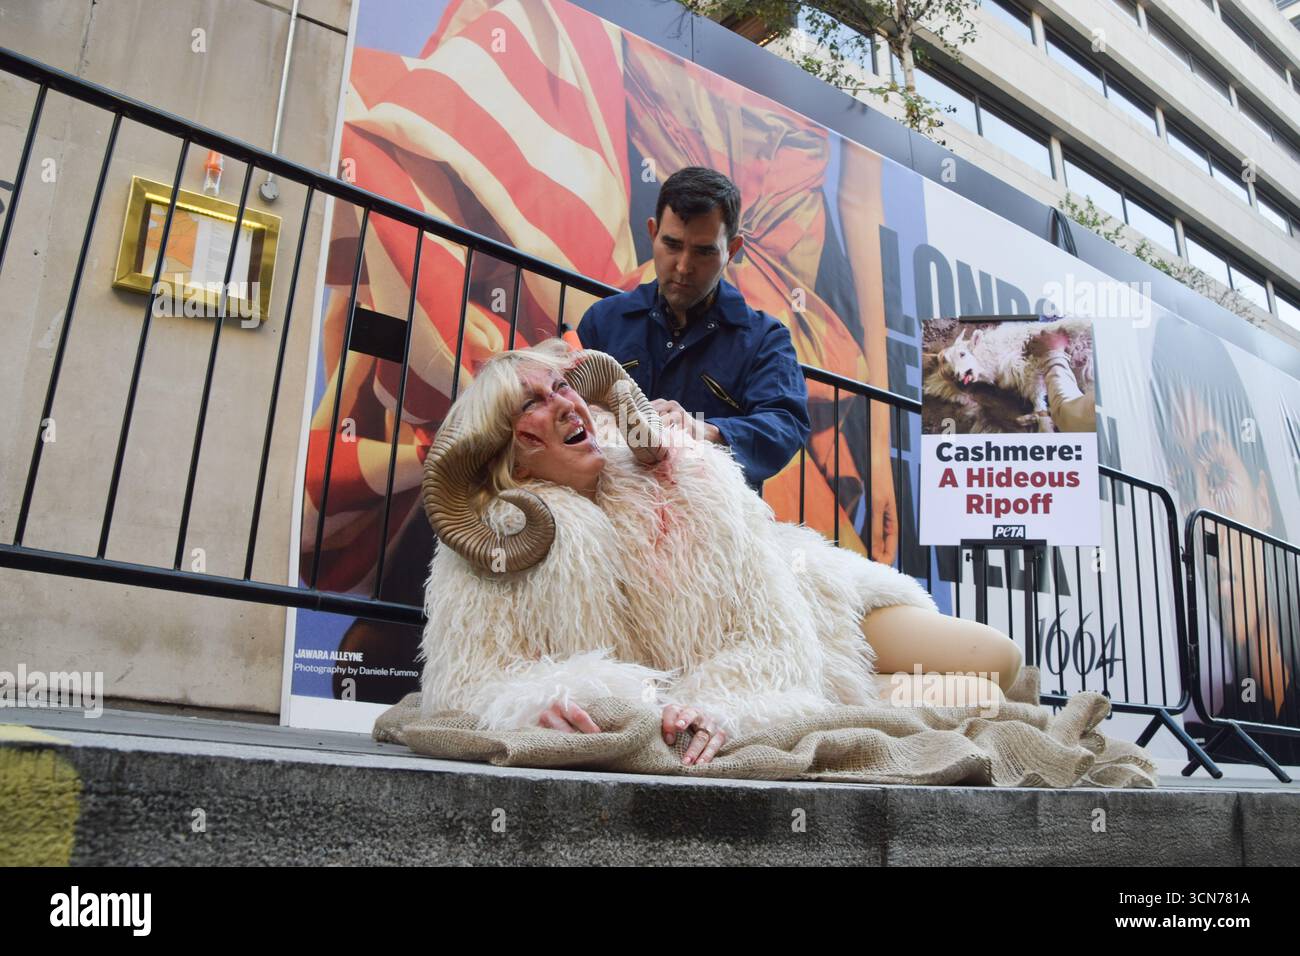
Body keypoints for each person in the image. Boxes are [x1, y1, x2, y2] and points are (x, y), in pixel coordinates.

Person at [418, 339, 1023, 766]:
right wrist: (532, 706)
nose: (568, 405)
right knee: (980, 699)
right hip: (782, 677)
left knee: (1000, 658)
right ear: (514, 444)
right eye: (534, 404)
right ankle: (857, 701)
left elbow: (768, 623)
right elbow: (467, 680)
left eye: (561, 387)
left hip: (812, 604)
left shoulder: (678, 474)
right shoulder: (502, 540)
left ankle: (857, 690)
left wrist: (727, 702)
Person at [575, 167, 812, 494]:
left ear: (732, 250)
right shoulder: (603, 321)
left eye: (704, 251)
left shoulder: (765, 341)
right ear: (652, 233)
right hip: (613, 511)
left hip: (709, 524)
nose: (684, 266)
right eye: (672, 245)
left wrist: (706, 431)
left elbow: (786, 426)